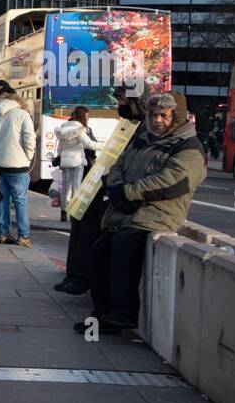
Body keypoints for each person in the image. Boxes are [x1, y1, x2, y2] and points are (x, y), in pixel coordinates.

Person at [80, 91, 205, 335]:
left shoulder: (189, 147)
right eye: (153, 114)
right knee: (99, 252)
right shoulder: (144, 139)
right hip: (126, 211)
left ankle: (122, 313)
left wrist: (129, 192)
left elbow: (172, 182)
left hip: (156, 214)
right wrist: (116, 186)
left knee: (123, 248)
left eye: (164, 115)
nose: (158, 120)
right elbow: (118, 164)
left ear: (176, 117)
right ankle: (101, 313)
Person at [53, 107, 104, 295]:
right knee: (77, 189)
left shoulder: (63, 128)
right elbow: (90, 145)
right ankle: (73, 211)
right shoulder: (80, 130)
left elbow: (59, 148)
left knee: (66, 188)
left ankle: (65, 211)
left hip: (65, 159)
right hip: (77, 160)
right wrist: (104, 146)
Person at [0, 84, 37, 246]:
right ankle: (23, 236)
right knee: (20, 201)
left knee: (2, 200)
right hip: (18, 165)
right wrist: (27, 158)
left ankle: (3, 233)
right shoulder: (22, 114)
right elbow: (29, 139)